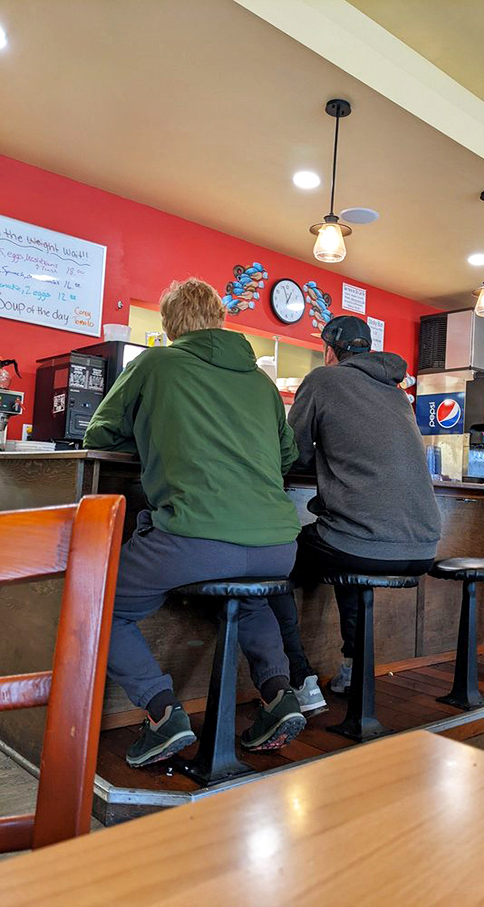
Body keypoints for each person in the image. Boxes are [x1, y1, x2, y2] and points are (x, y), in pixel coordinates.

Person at [84, 278, 306, 767]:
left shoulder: (154, 364)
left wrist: (159, 439)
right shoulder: (262, 382)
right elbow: (288, 455)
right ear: (221, 320)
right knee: (249, 600)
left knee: (98, 603)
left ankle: (163, 713)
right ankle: (279, 696)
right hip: (277, 546)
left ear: (169, 325)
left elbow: (98, 433)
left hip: (194, 538)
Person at [269, 315, 442, 695]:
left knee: (271, 562)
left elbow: (293, 455)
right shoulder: (396, 392)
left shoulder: (322, 380)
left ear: (329, 351)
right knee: (348, 543)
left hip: (363, 540)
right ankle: (352, 668)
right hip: (423, 547)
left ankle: (300, 679)